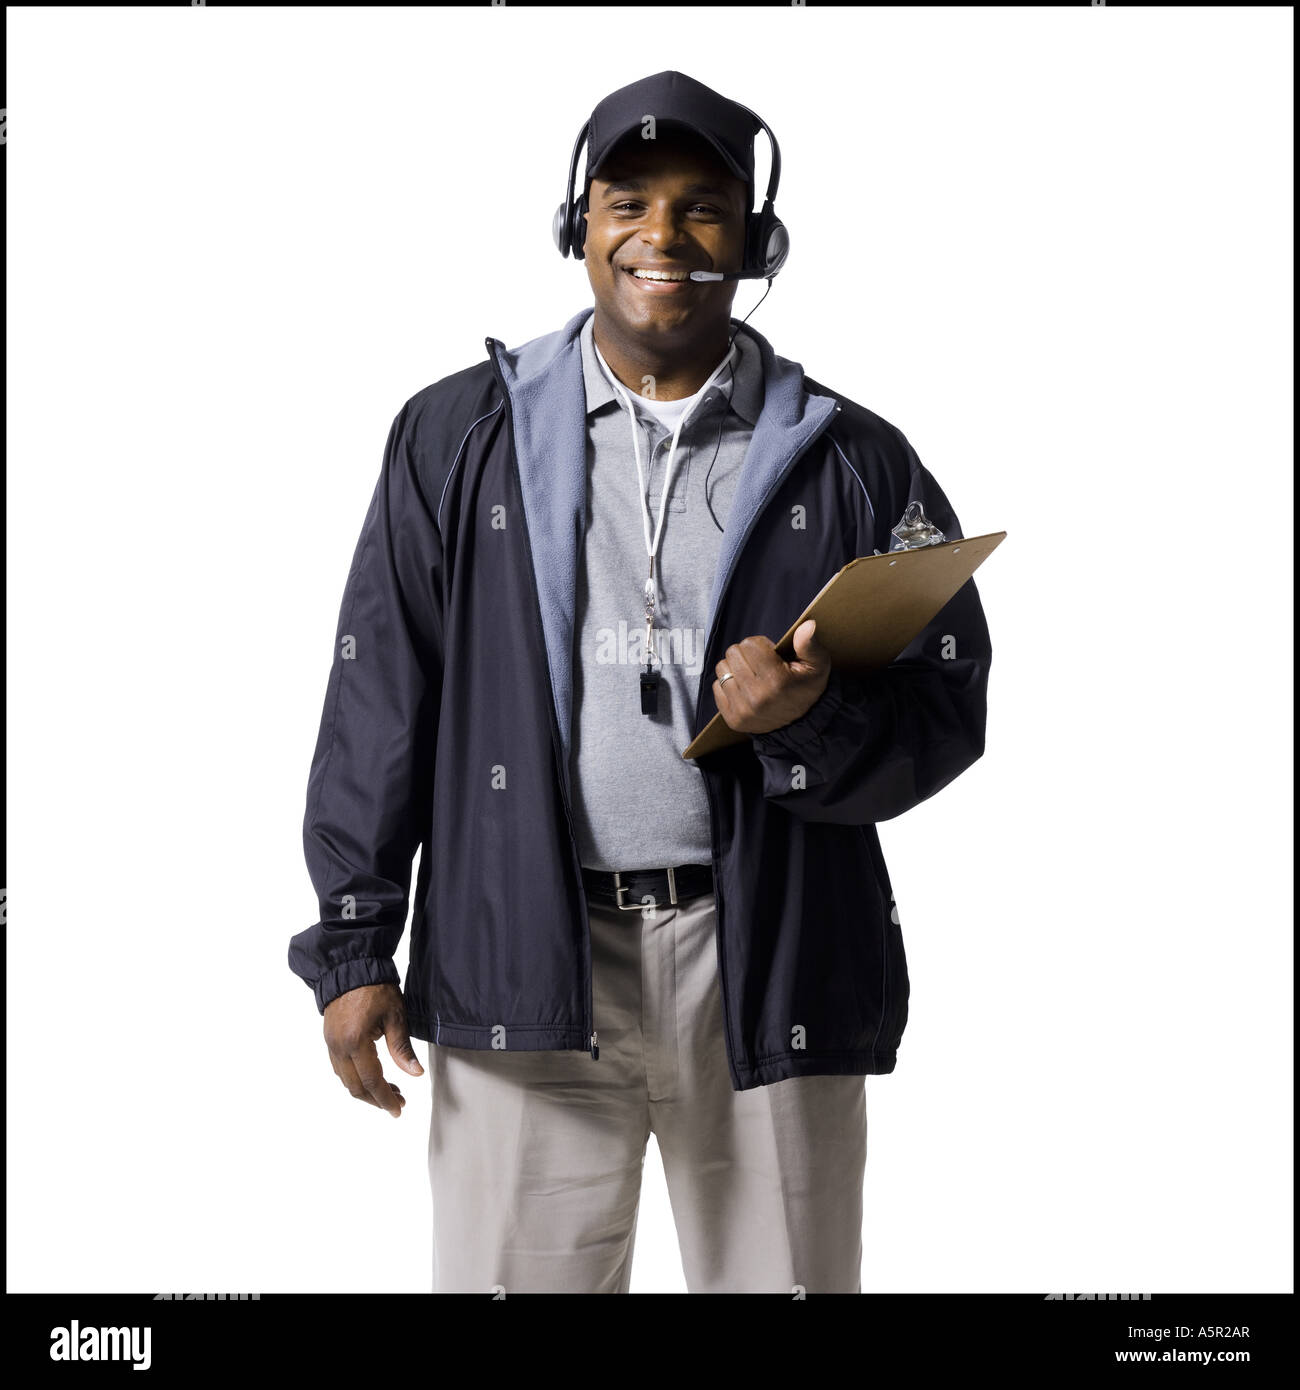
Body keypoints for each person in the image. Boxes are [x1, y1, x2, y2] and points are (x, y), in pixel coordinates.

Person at [290, 70, 993, 1294]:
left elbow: (950, 704)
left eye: (702, 207)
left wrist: (810, 720)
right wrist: (354, 944)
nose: (661, 238)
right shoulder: (454, 435)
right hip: (522, 957)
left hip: (768, 960)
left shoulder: (861, 459)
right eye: (628, 202)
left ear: (754, 239)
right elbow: (378, 694)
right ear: (580, 227)